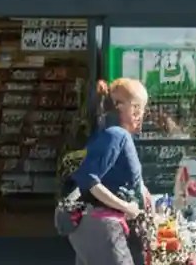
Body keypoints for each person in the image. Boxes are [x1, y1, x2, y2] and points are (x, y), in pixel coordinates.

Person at [68, 78, 151, 265]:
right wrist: (126, 206)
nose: (140, 114)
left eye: (142, 108)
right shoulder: (116, 134)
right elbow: (89, 180)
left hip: (98, 227)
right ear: (118, 106)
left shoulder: (113, 133)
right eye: (136, 107)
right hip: (105, 228)